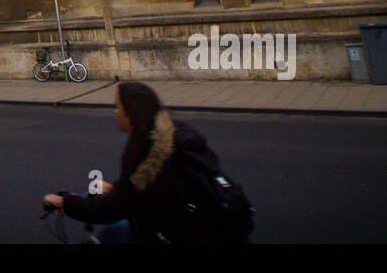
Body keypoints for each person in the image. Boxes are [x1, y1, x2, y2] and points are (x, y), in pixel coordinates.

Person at [42, 81, 246, 244]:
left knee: (114, 233)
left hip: (180, 235)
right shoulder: (171, 134)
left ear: (131, 111)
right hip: (198, 226)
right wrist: (116, 190)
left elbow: (113, 209)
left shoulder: (155, 155)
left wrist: (64, 203)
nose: (115, 112)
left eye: (118, 106)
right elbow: (150, 194)